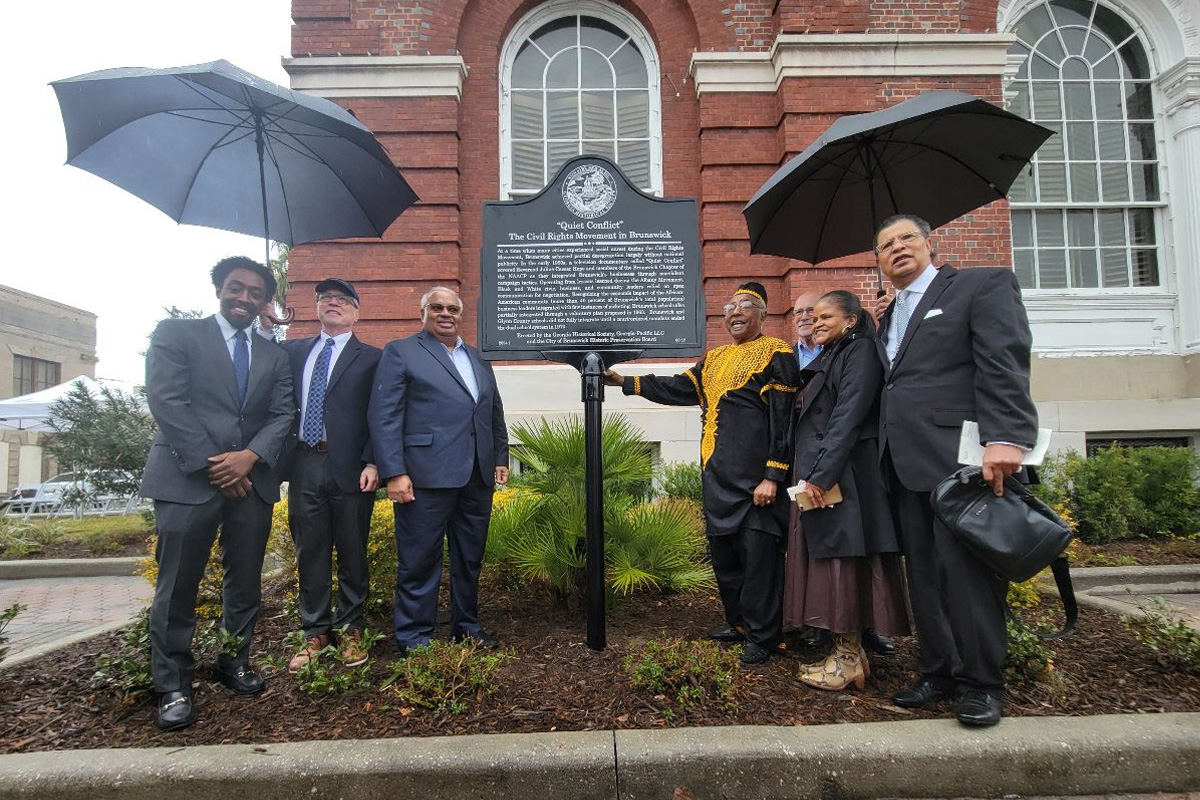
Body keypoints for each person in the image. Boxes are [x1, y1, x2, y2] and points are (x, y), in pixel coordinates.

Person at [873, 214, 1038, 727]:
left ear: (930, 244)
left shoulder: (980, 285)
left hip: (962, 462)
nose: (897, 249)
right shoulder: (889, 314)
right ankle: (938, 670)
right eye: (885, 246)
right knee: (923, 576)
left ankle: (982, 684)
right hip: (904, 464)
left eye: (907, 239)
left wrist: (1006, 437)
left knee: (966, 577)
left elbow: (1003, 361)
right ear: (878, 262)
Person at [604, 282, 800, 665]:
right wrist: (625, 382)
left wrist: (773, 475)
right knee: (725, 557)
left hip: (756, 483)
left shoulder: (777, 354)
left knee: (759, 559)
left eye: (746, 306)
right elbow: (678, 388)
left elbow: (783, 421)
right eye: (730, 307)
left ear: (763, 314)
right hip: (717, 477)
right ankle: (740, 624)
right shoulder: (714, 358)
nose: (736, 312)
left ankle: (765, 635)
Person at [140, 256, 294, 731]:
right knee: (178, 584)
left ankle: (233, 660)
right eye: (236, 288)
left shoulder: (274, 353)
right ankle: (172, 683)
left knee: (244, 580)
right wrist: (219, 464)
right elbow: (167, 400)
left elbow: (283, 413)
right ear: (219, 289)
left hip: (252, 482)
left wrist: (248, 458)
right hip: (187, 480)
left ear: (265, 301)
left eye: (254, 293)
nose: (244, 298)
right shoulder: (177, 334)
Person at [367, 286, 509, 654]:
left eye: (453, 308)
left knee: (469, 558)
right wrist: (394, 472)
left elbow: (493, 410)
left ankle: (467, 627)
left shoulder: (478, 358)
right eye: (437, 307)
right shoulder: (402, 352)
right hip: (424, 476)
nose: (445, 313)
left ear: (462, 315)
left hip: (476, 477)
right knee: (419, 560)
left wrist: (500, 457)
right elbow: (385, 416)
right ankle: (414, 638)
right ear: (423, 313)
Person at [784, 290, 910, 691]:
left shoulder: (860, 353)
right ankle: (848, 655)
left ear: (851, 320)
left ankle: (848, 659)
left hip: (847, 479)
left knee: (844, 564)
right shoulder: (834, 355)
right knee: (835, 562)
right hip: (830, 472)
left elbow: (847, 417)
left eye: (826, 316)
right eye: (813, 317)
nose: (816, 322)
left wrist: (821, 474)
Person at [278, 278, 382, 672]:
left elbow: (381, 414)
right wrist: (269, 324)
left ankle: (351, 628)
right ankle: (315, 632)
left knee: (353, 551)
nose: (333, 304)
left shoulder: (373, 358)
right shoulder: (293, 352)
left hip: (353, 468)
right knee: (311, 551)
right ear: (317, 308)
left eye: (342, 300)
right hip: (304, 464)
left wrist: (374, 461)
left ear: (357, 311)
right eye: (326, 299)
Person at [792, 290, 823, 369]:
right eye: (799, 312)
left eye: (811, 310)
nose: (804, 317)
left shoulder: (839, 352)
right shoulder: (784, 357)